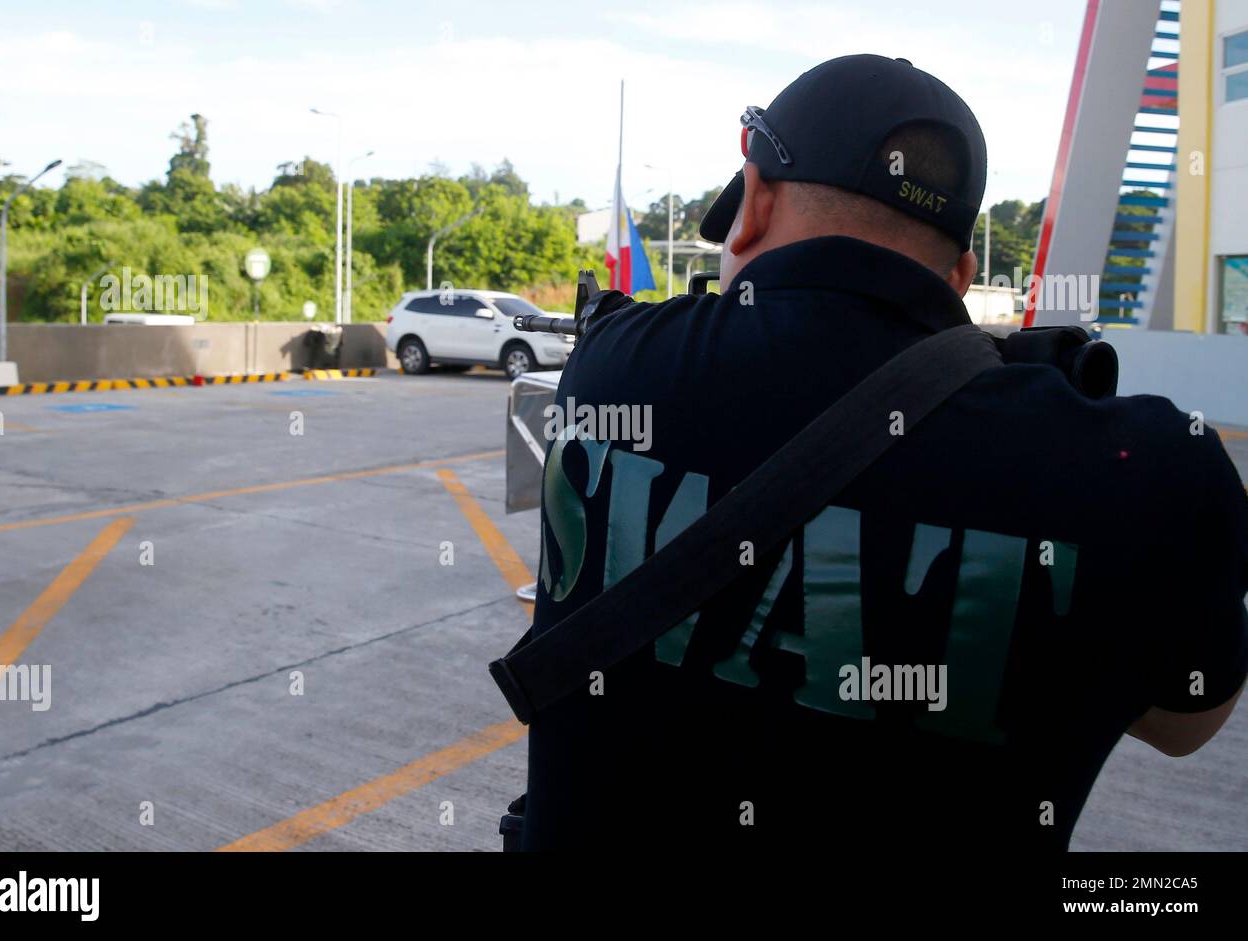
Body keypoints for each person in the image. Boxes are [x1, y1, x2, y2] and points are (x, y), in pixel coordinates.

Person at [520, 54, 1248, 851]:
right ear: (963, 275)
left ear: (754, 205)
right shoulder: (1153, 473)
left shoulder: (614, 364)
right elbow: (1187, 723)